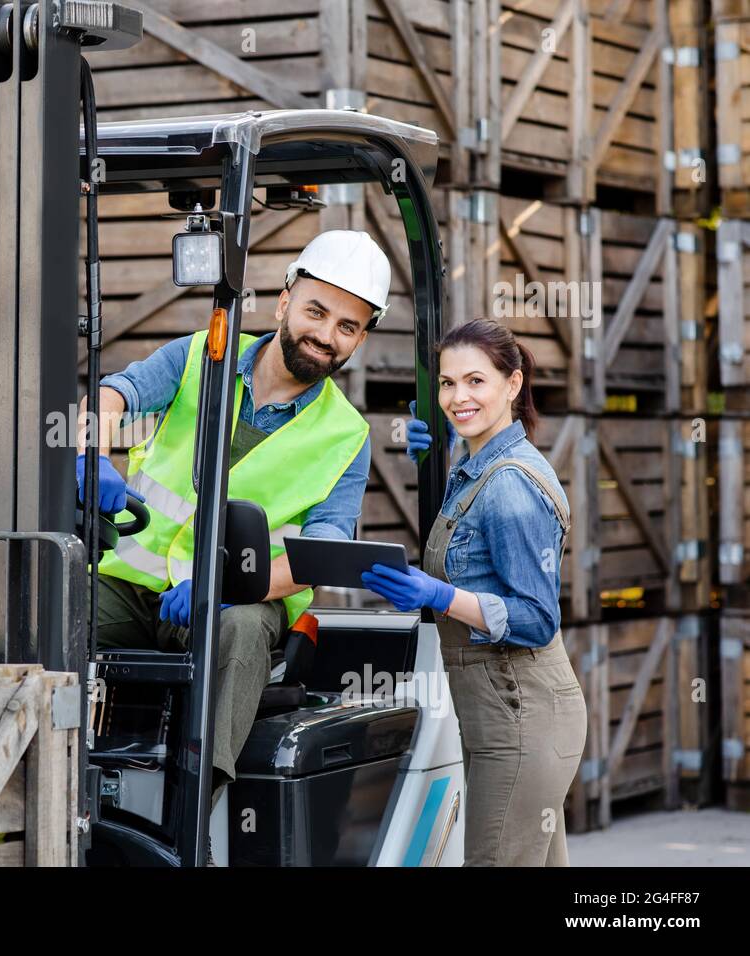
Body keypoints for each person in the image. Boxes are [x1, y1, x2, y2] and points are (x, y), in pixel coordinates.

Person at [76, 230, 390, 803]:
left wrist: (224, 586)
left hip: (236, 602)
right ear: (285, 300)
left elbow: (323, 552)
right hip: (133, 583)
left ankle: (196, 813)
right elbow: (115, 394)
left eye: (347, 328)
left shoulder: (348, 436)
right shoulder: (201, 354)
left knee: (242, 632)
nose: (325, 336)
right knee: (49, 607)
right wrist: (91, 452)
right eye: (317, 312)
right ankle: (45, 785)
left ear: (361, 338)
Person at [361, 318, 587, 866]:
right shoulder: (476, 464)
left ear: (512, 385)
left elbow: (536, 618)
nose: (458, 396)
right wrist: (433, 457)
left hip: (520, 714)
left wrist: (437, 596)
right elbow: (476, 551)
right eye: (447, 383)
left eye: (476, 382)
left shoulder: (509, 484)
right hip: (501, 715)